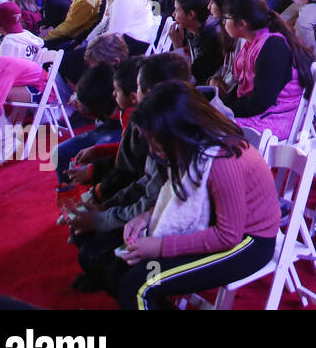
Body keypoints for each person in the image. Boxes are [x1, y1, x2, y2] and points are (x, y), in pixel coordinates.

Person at [114, 83, 281, 310]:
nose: (153, 150)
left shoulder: (221, 159)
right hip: (225, 229)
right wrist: (146, 217)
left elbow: (227, 237)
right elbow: (183, 196)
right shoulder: (196, 145)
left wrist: (161, 247)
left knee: (141, 284)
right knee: (124, 266)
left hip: (250, 243)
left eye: (156, 141)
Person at [220, 0, 314, 140]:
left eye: (227, 18)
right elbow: (242, 89)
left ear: (242, 24)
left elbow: (261, 101)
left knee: (211, 129)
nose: (223, 22)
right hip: (264, 111)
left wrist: (225, 111)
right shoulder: (254, 42)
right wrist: (219, 107)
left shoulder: (272, 46)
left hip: (278, 116)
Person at [168, 0, 225, 85]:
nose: (173, 14)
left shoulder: (210, 41)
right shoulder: (191, 31)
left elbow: (190, 79)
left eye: (177, 10)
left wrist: (177, 45)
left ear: (190, 14)